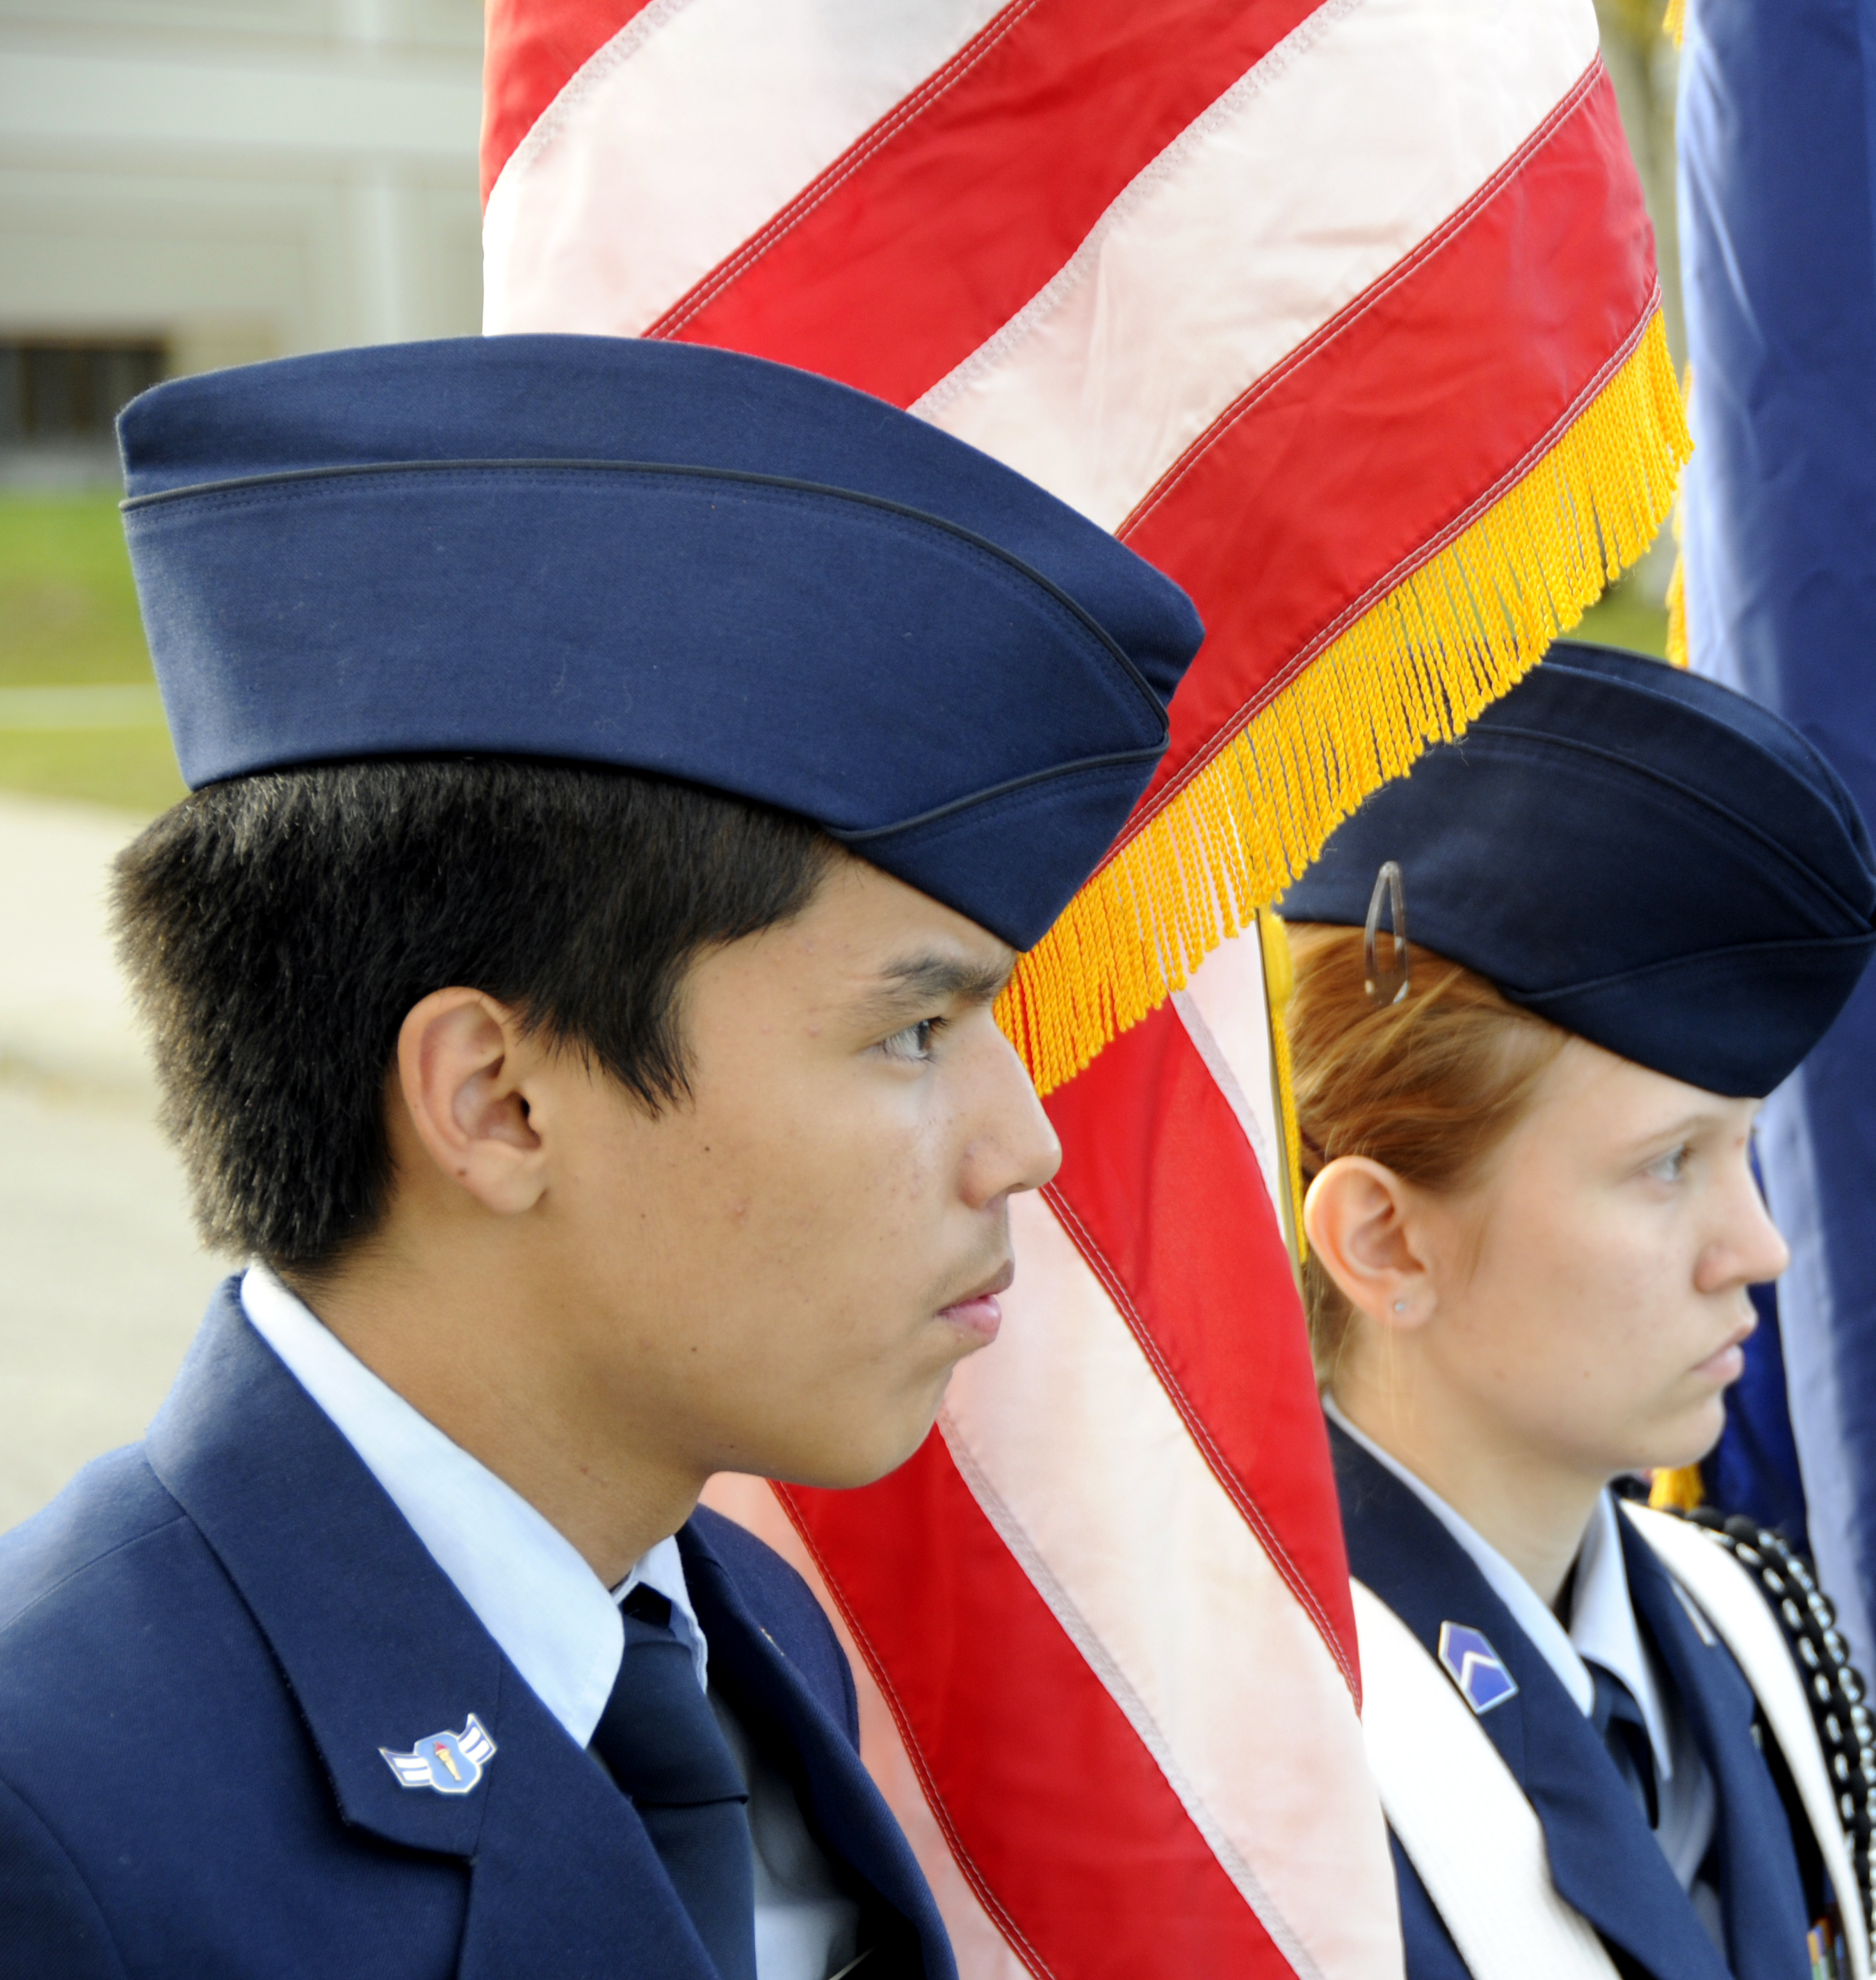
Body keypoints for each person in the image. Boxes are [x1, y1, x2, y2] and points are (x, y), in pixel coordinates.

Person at [0, 334, 1201, 1976]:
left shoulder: (725, 1634)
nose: (1025, 1143)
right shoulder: (53, 1803)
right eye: (912, 1030)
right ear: (495, 1100)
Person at [1275, 641, 1876, 1980]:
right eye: (1667, 1165)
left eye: (1743, 1151)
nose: (1762, 1249)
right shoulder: (1256, 1742)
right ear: (1386, 1239)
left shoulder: (1754, 1635)